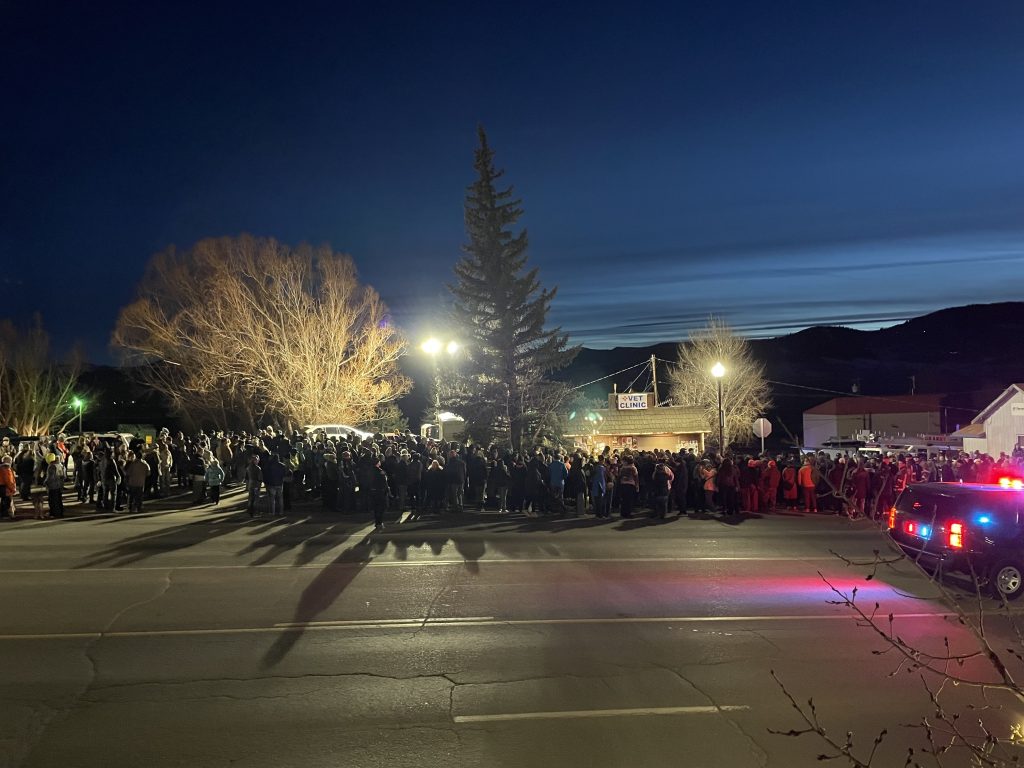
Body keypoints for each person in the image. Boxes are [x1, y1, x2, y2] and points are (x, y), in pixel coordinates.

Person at [263, 453, 286, 518]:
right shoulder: (282, 465)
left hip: (272, 484)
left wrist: (266, 483)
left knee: (272, 499)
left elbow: (266, 475)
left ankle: (272, 512)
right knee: (280, 498)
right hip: (279, 484)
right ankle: (281, 512)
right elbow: (284, 474)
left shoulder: (269, 465)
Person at [44, 453, 66, 519]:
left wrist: (45, 482)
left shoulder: (51, 466)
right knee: (59, 500)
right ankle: (60, 512)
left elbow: (51, 477)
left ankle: (53, 513)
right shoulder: (61, 465)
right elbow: (64, 476)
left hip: (53, 485)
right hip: (59, 485)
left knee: (52, 500)